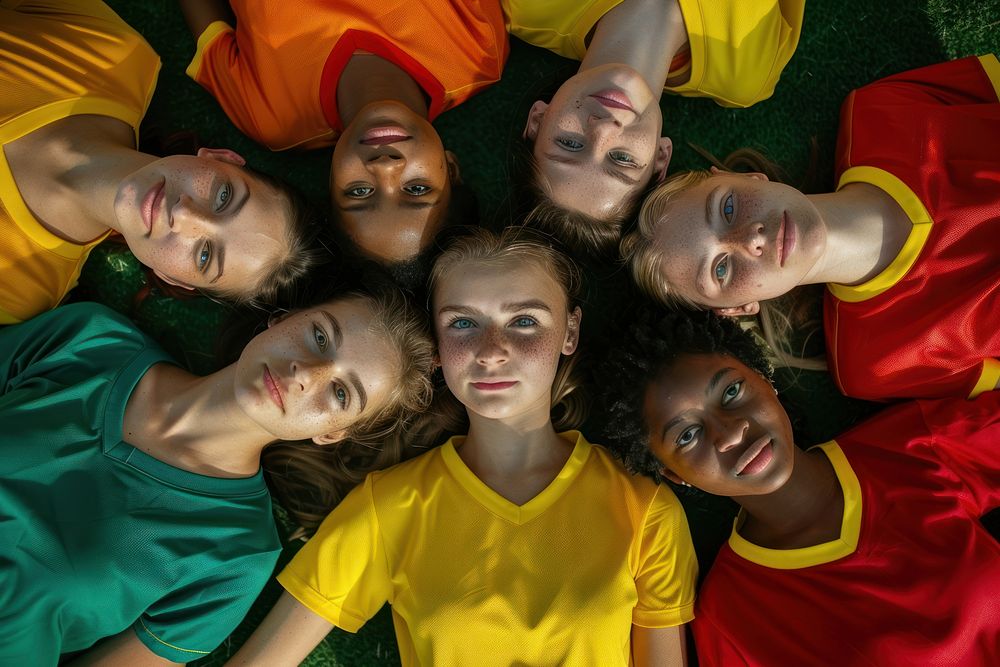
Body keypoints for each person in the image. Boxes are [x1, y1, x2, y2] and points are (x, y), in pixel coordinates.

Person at [226, 228, 698, 666]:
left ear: (570, 331)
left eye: (525, 321)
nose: (491, 351)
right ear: (436, 345)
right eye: (463, 323)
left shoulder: (644, 511)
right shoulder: (386, 509)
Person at [0, 284, 434, 665]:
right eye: (319, 336)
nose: (306, 373)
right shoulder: (91, 338)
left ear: (332, 433)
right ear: (282, 319)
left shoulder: (237, 556)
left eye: (340, 393)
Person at [599, 309, 1000, 666]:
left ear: (764, 378)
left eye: (731, 392)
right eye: (687, 435)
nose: (730, 433)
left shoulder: (911, 446)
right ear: (674, 475)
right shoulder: (732, 620)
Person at [623, 55, 1000, 400]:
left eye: (728, 207)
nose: (750, 238)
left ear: (745, 178)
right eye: (721, 269)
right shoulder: (876, 364)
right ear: (737, 308)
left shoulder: (881, 112)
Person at [0, 0, 326, 325]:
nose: (184, 214)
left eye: (204, 255)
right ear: (220, 158)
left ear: (172, 278)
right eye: (224, 197)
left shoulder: (20, 293)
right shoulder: (110, 55)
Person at [179, 0, 503, 265]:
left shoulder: (271, 118)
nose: (384, 167)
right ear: (451, 169)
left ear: (332, 179)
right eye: (417, 189)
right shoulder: (477, 49)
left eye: (359, 192)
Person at [515, 0, 804, 254]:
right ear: (661, 156)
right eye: (622, 159)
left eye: (570, 144)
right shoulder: (746, 71)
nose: (603, 131)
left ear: (538, 119)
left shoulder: (530, 9)